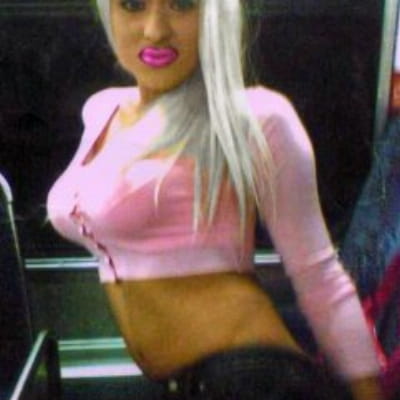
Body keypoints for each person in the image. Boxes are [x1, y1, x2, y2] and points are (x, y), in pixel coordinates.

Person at [47, 0, 384, 398]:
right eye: (133, 5)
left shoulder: (255, 118)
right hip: (187, 384)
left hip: (253, 380)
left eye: (182, 5)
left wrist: (368, 392)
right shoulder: (102, 110)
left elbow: (319, 277)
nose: (155, 30)